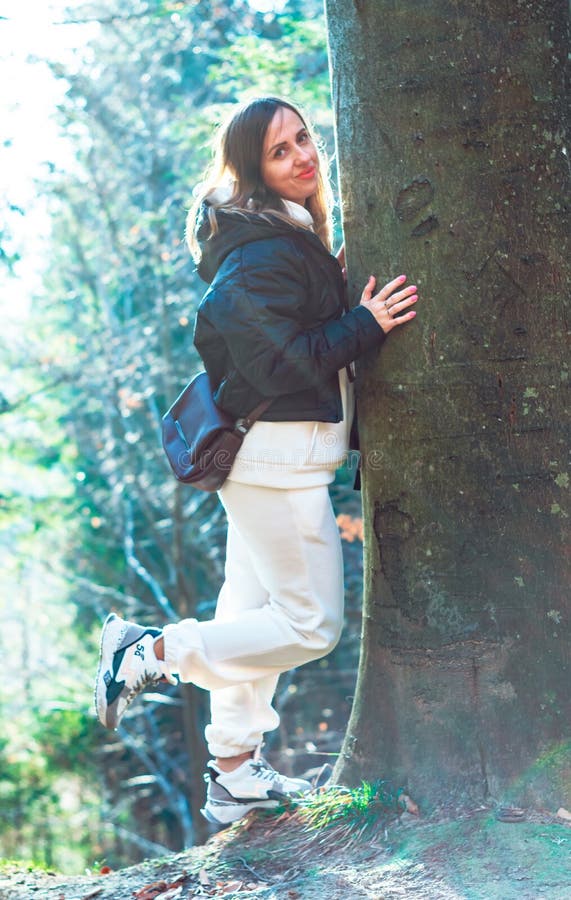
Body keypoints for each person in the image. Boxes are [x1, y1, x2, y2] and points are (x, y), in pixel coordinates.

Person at [95, 96, 419, 826]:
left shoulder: (282, 240)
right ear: (253, 170)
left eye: (303, 139)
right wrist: (362, 324)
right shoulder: (261, 252)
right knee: (309, 627)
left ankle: (234, 769)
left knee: (248, 616)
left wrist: (337, 295)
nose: (304, 156)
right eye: (280, 151)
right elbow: (276, 363)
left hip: (279, 458)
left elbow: (290, 328)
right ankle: (146, 652)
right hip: (279, 460)